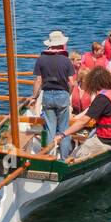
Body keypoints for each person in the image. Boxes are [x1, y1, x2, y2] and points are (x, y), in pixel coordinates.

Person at [52, 65, 111, 159]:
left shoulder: (102, 98)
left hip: (108, 141)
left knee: (74, 155)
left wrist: (62, 134)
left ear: (94, 83)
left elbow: (83, 121)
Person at [32, 30, 77, 160]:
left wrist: (34, 98)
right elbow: (72, 83)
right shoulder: (66, 60)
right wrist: (68, 94)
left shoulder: (41, 59)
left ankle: (50, 157)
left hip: (47, 95)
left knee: (50, 128)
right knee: (64, 129)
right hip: (62, 94)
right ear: (61, 44)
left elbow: (38, 81)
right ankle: (64, 158)